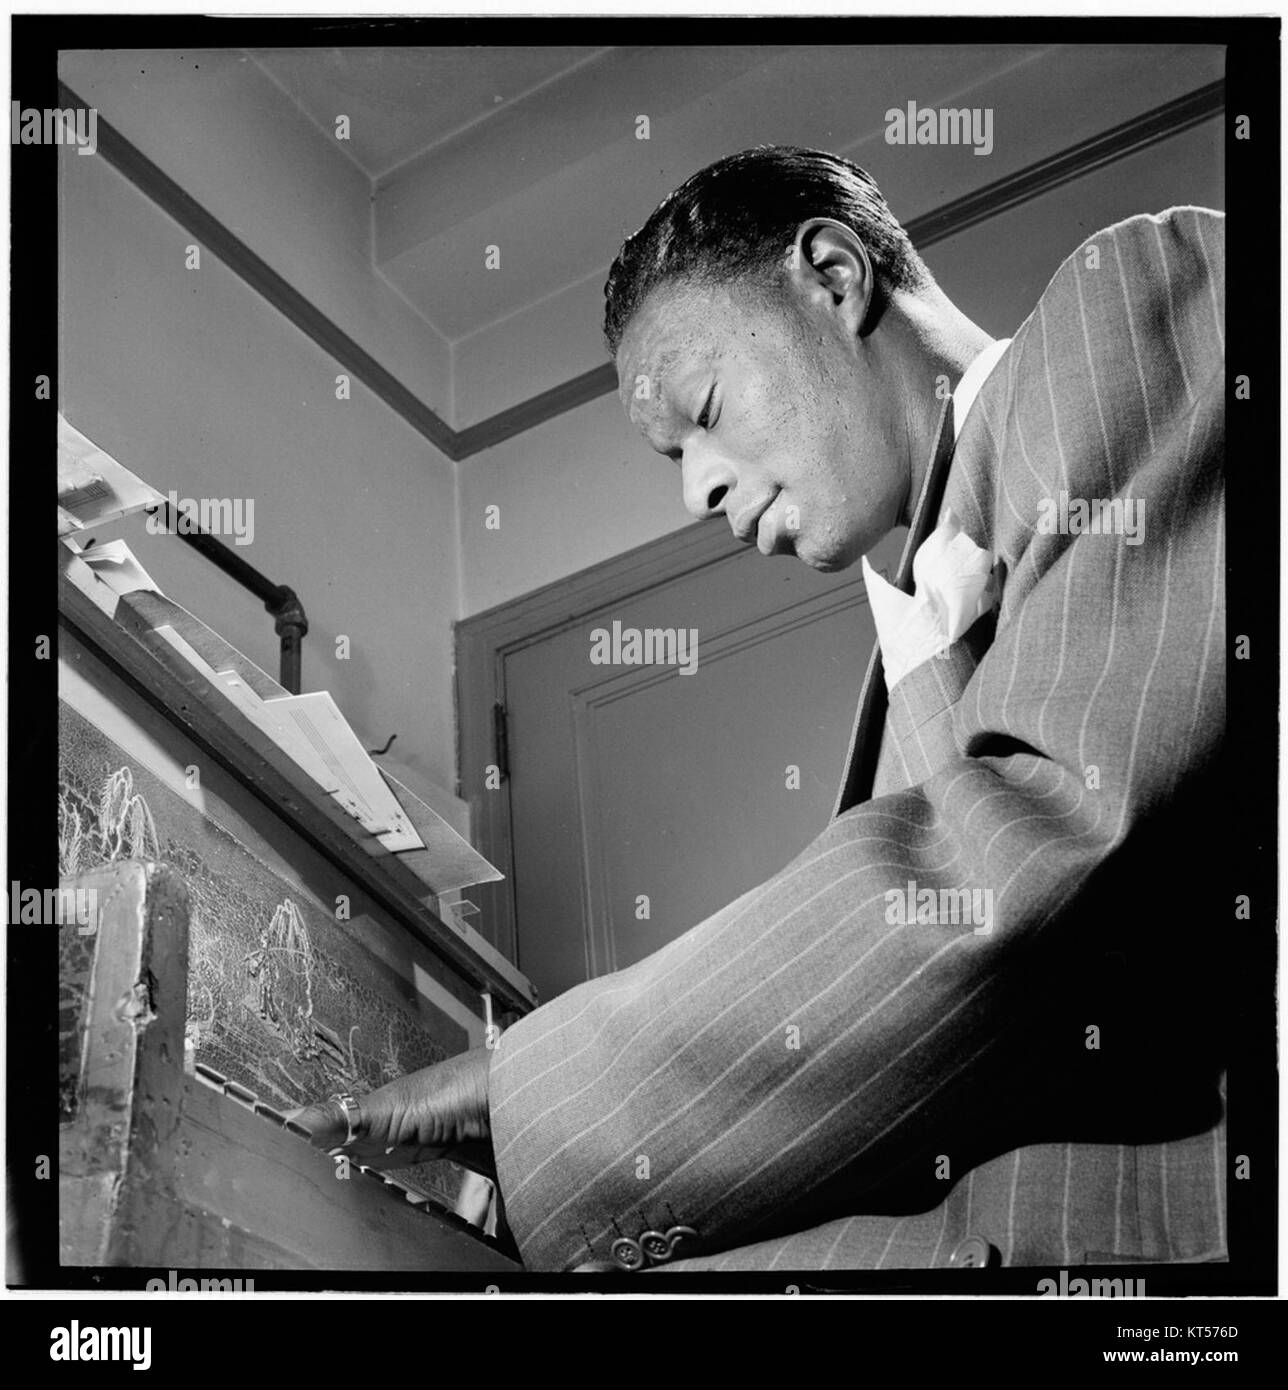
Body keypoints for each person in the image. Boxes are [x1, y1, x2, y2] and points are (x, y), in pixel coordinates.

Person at [295, 147, 1227, 1275]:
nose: (696, 491)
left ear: (833, 277)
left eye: (704, 414)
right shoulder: (904, 651)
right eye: (671, 460)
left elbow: (1023, 865)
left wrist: (530, 1088)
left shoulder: (1129, 297)